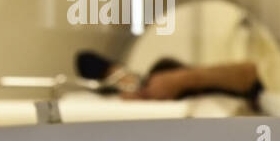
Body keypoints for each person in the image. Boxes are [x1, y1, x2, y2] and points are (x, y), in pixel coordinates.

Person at [76, 51, 265, 108]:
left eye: (119, 77)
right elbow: (83, 60)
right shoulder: (123, 100)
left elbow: (249, 73)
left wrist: (180, 80)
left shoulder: (163, 71)